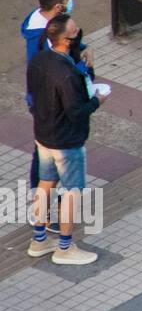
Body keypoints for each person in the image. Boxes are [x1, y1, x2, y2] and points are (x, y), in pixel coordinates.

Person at [27, 14, 107, 265]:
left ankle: (39, 240)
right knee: (72, 193)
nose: (78, 35)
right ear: (64, 40)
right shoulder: (67, 74)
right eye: (75, 32)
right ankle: (64, 247)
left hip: (43, 136)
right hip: (67, 142)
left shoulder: (38, 60)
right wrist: (98, 100)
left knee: (45, 183)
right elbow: (77, 111)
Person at [20, 0, 93, 213]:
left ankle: (42, 208)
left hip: (50, 101)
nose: (71, 1)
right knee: (48, 153)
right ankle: (48, 209)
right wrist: (82, 73)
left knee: (45, 155)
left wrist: (83, 47)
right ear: (59, 7)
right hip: (50, 104)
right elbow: (56, 74)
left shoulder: (44, 23)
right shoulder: (40, 41)